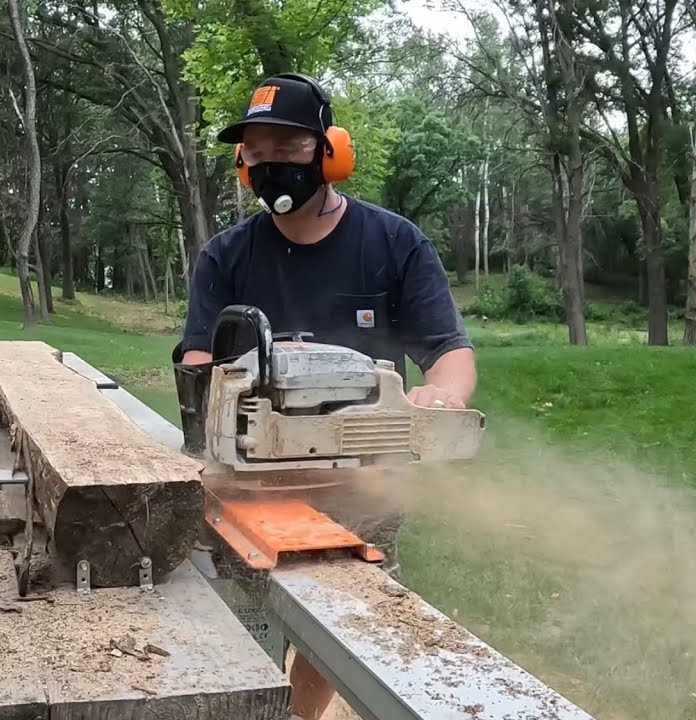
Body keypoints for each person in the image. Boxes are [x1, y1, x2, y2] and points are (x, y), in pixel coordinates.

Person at [175, 73, 478, 720]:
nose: (270, 166)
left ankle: (302, 715)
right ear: (241, 165)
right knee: (248, 617)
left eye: (287, 149)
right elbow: (199, 357)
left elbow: (449, 352)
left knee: (341, 623)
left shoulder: (394, 244)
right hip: (248, 482)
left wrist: (442, 398)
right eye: (256, 154)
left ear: (329, 152)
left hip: (361, 484)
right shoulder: (225, 255)